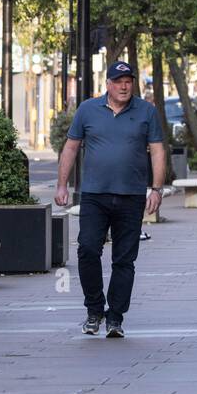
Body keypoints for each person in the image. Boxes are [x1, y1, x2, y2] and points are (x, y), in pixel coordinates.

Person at [55, 60, 166, 338]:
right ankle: (94, 310)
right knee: (88, 250)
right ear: (108, 85)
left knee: (124, 260)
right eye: (118, 81)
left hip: (131, 197)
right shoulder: (87, 109)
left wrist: (156, 188)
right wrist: (61, 185)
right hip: (94, 195)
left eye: (128, 80)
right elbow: (70, 148)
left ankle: (115, 317)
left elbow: (157, 150)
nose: (124, 86)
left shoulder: (146, 111)